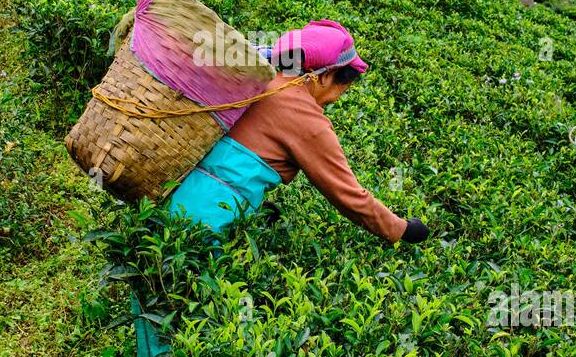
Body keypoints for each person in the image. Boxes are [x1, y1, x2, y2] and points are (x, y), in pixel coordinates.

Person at [168, 20, 430, 245]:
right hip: (212, 217)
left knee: (155, 294)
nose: (337, 99)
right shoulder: (306, 119)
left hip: (174, 199)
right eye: (343, 88)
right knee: (187, 295)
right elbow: (347, 195)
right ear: (324, 76)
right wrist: (401, 229)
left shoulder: (263, 78)